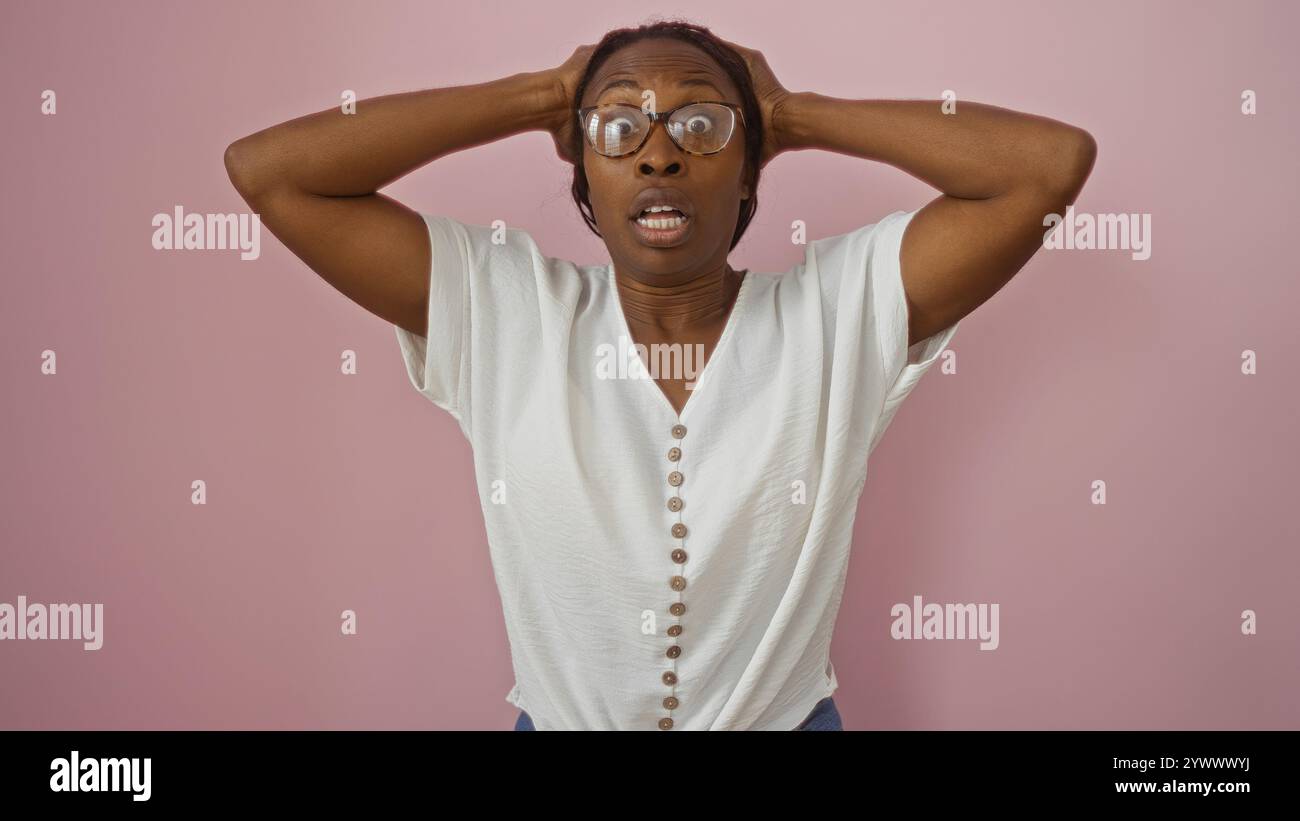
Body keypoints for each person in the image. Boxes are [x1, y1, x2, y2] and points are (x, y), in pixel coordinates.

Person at [224, 20, 1095, 730]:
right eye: (618, 127)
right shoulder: (506, 311)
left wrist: (791, 111)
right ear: (583, 181)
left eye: (702, 125)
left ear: (751, 168)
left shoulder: (837, 313)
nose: (659, 154)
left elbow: (1045, 169)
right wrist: (541, 98)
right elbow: (272, 173)